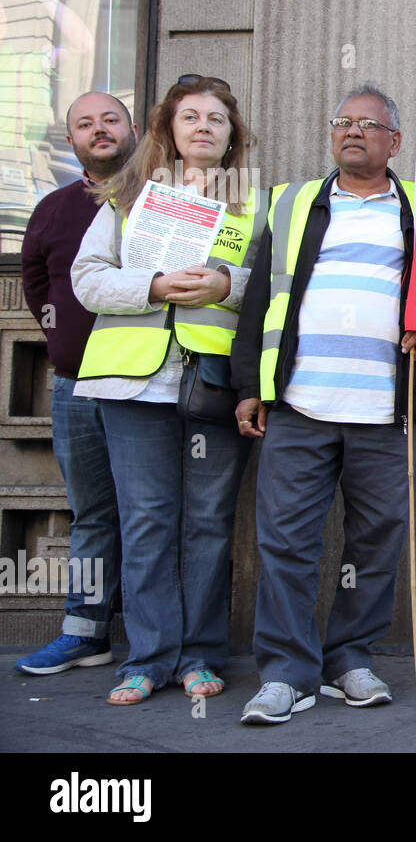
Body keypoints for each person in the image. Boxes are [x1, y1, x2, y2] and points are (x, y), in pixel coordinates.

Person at [232, 85, 416, 725]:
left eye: (368, 124)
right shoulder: (294, 203)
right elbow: (256, 298)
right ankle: (285, 674)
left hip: (385, 411)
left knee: (377, 540)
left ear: (395, 143)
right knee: (287, 543)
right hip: (299, 404)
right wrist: (249, 386)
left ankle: (349, 660)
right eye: (343, 122)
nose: (353, 131)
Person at [70, 75, 261, 705]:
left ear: (233, 135)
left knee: (208, 521)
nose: (204, 126)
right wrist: (151, 287)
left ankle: (201, 655)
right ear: (169, 132)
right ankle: (147, 658)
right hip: (132, 383)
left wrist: (225, 285)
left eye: (216, 118)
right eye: (190, 117)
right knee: (147, 521)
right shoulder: (127, 198)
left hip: (215, 383)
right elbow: (86, 279)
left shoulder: (255, 203)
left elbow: (271, 285)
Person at [15, 92, 135, 674]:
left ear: (132, 128)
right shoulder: (52, 209)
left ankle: (162, 639)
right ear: (73, 143)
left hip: (145, 383)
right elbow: (37, 286)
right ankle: (87, 632)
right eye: (85, 124)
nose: (99, 129)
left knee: (155, 512)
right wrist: (63, 338)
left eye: (110, 119)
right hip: (75, 386)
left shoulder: (162, 201)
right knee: (92, 512)